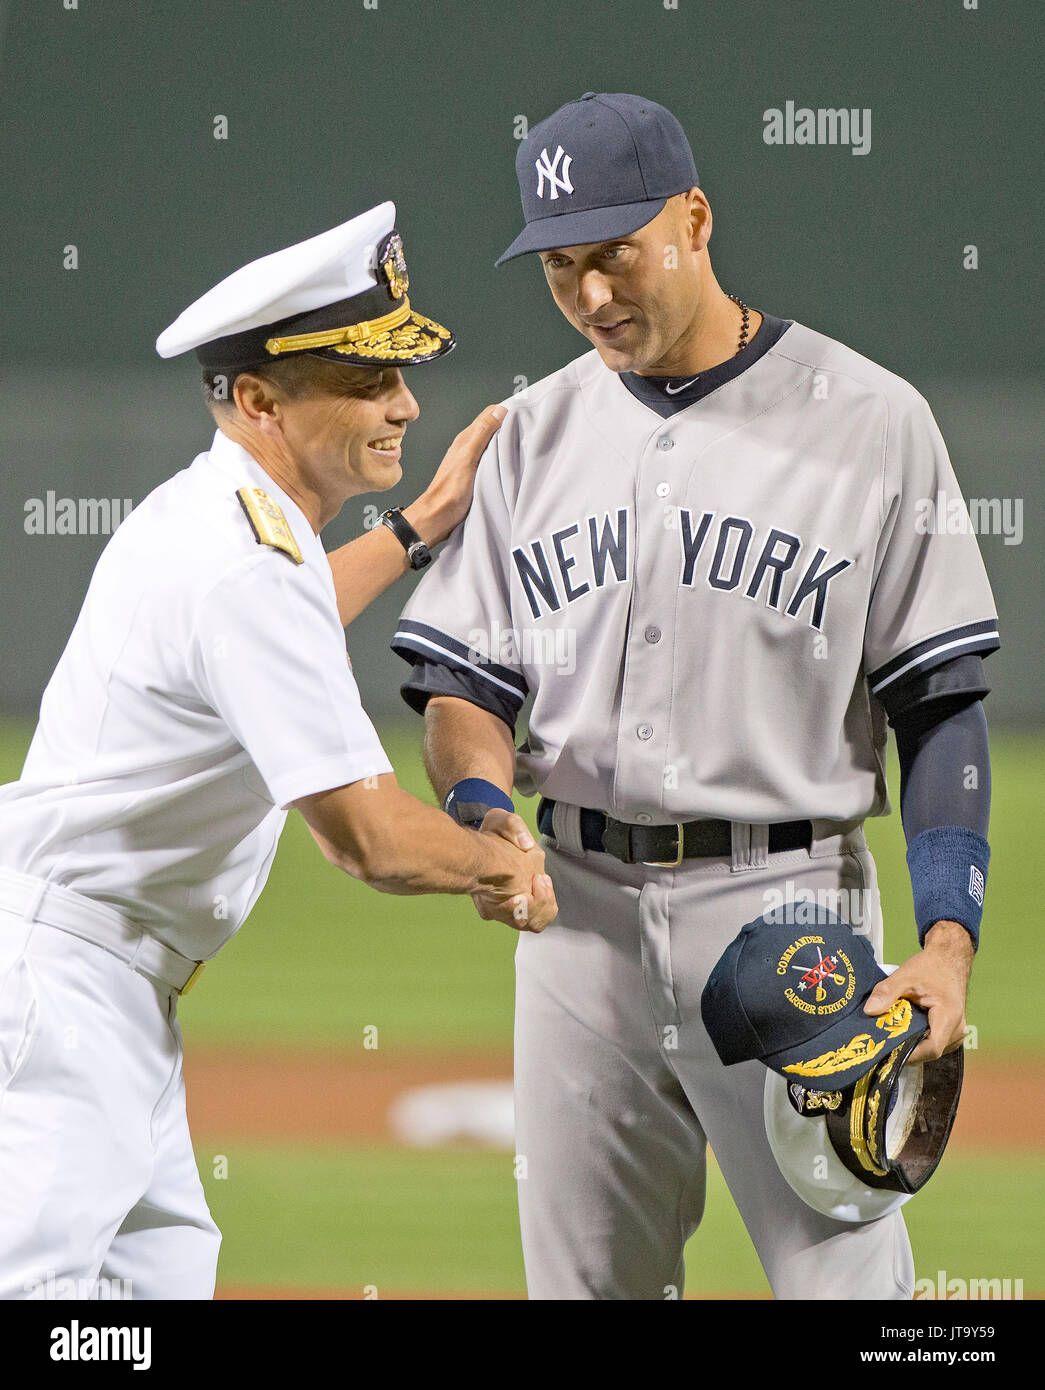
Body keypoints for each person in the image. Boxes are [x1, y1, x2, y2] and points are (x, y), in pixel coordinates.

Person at [391, 94, 999, 1300]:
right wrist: (476, 804)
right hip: (577, 919)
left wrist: (944, 944)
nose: (589, 293)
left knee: (853, 1293)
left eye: (614, 252)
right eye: (560, 265)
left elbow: (940, 702)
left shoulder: (873, 419)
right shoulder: (535, 434)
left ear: (696, 218)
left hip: (788, 915)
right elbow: (462, 685)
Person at [0, 201, 555, 1301]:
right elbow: (366, 837)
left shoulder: (228, 518)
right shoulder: (244, 561)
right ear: (258, 398)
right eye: (362, 380)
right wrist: (512, 867)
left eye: (396, 371)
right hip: (56, 996)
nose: (402, 402)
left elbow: (283, 618)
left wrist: (412, 531)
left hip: (99, 984)